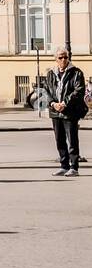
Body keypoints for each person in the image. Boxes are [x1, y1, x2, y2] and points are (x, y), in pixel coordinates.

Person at [45, 49, 86, 177]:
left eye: (65, 57)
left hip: (70, 111)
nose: (63, 60)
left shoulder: (76, 73)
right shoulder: (51, 73)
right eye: (60, 58)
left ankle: (74, 167)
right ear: (56, 59)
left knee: (72, 139)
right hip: (55, 111)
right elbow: (46, 90)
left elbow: (79, 91)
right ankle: (64, 165)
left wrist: (64, 103)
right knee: (60, 140)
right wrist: (53, 103)